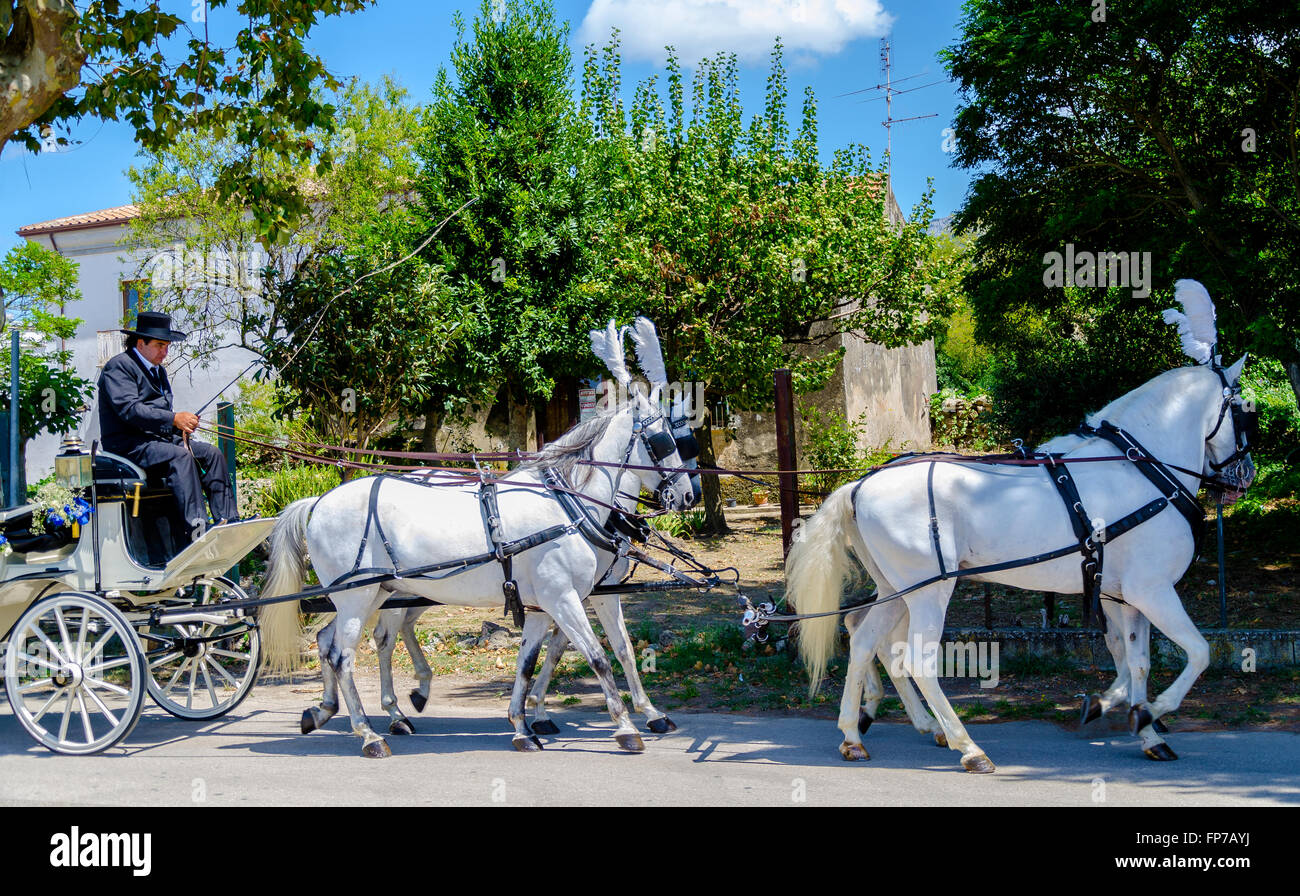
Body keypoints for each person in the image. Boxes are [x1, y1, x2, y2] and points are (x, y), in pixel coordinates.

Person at [98, 311, 240, 533]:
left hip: (159, 443)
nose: (165, 352)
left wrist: (182, 424)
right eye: (159, 345)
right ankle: (197, 528)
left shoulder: (159, 371)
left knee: (211, 453)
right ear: (140, 342)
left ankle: (229, 522)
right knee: (180, 455)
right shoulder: (119, 367)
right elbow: (130, 410)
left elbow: (162, 412)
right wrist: (174, 419)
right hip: (128, 446)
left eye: (167, 346)